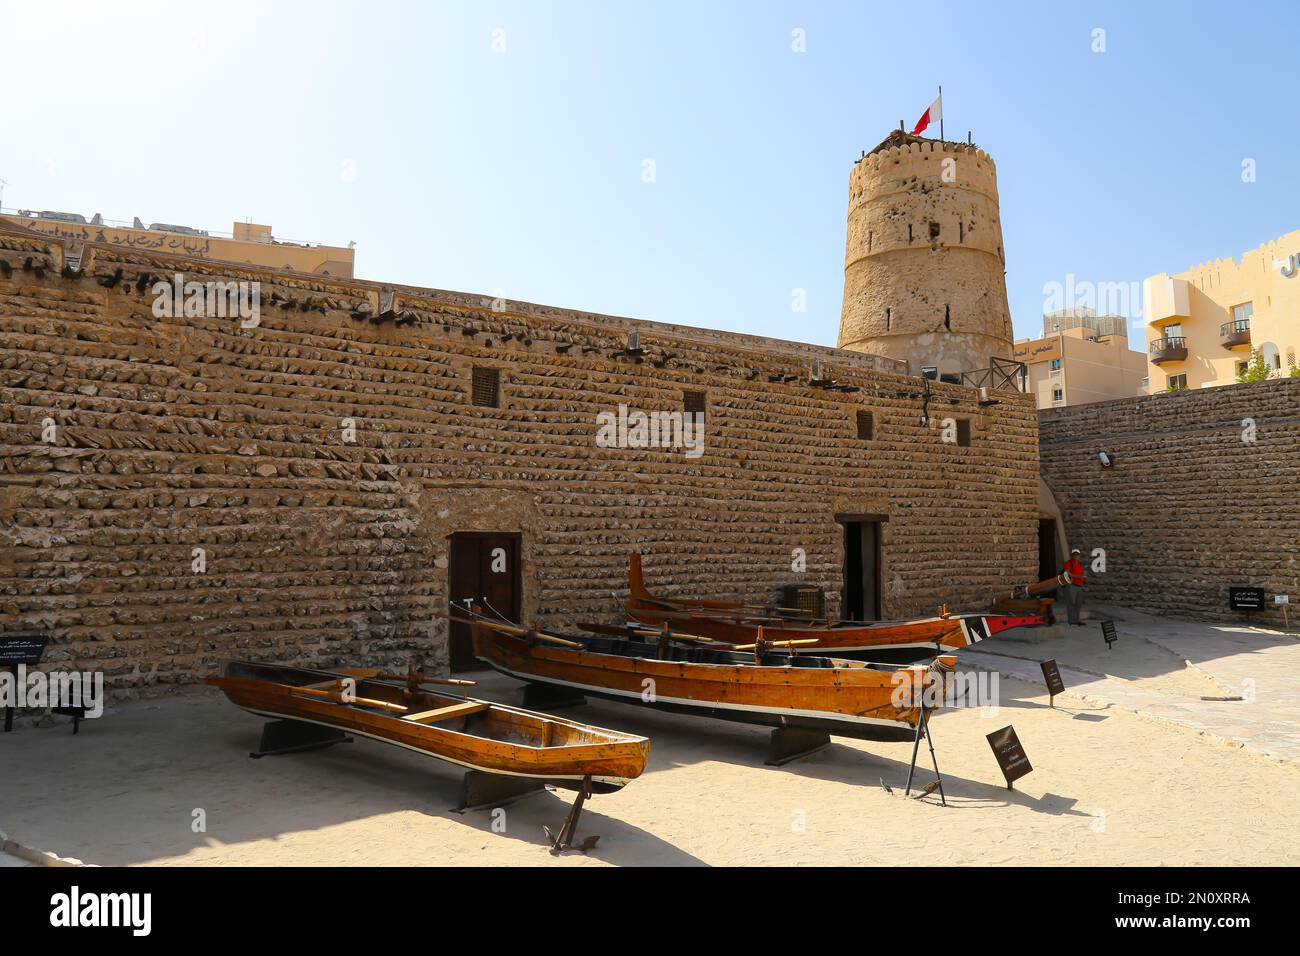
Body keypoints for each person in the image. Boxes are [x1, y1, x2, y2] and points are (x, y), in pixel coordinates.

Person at [1062, 548, 1086, 626]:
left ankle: (1077, 619)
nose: (1076, 555)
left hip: (1079, 586)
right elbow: (1068, 574)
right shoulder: (1069, 563)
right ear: (1072, 555)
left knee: (1078, 604)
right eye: (1074, 554)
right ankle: (1072, 620)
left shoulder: (1080, 564)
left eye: (1077, 554)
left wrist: (1082, 580)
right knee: (1071, 603)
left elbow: (1082, 575)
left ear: (1079, 555)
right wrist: (1079, 577)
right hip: (1071, 586)